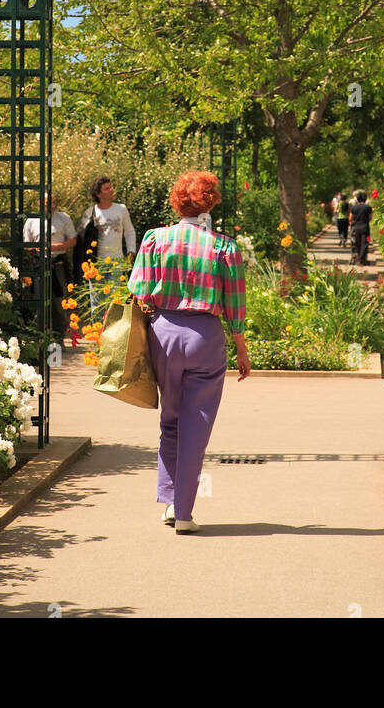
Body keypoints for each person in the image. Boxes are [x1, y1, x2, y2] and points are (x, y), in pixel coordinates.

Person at [127, 170, 250, 534]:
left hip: (163, 333)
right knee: (197, 424)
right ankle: (184, 512)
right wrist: (241, 348)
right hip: (205, 336)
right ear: (210, 203)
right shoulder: (224, 247)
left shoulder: (154, 239)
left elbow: (139, 289)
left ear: (176, 201)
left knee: (171, 418)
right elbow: (235, 306)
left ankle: (168, 502)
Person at [23, 192, 77, 336]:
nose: (51, 205)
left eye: (53, 202)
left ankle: (59, 336)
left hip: (58, 262)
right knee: (39, 300)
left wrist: (56, 247)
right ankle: (41, 336)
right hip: (39, 262)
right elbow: (26, 245)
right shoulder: (31, 221)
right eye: (47, 202)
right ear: (40, 203)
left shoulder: (63, 218)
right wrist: (37, 247)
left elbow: (73, 241)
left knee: (60, 302)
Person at [81, 176, 137, 313]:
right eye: (107, 189)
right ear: (98, 194)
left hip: (117, 261)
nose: (112, 190)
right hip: (96, 264)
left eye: (111, 187)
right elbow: (83, 240)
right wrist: (86, 263)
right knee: (97, 303)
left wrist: (131, 252)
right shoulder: (90, 213)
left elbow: (130, 232)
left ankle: (114, 334)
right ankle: (98, 333)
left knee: (116, 302)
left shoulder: (121, 209)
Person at [349, 189, 373, 264]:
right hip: (365, 227)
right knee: (365, 243)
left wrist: (354, 221)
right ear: (365, 199)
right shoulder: (368, 208)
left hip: (356, 227)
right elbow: (370, 218)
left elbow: (350, 218)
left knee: (357, 243)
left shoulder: (354, 208)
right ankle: (362, 259)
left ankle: (359, 257)